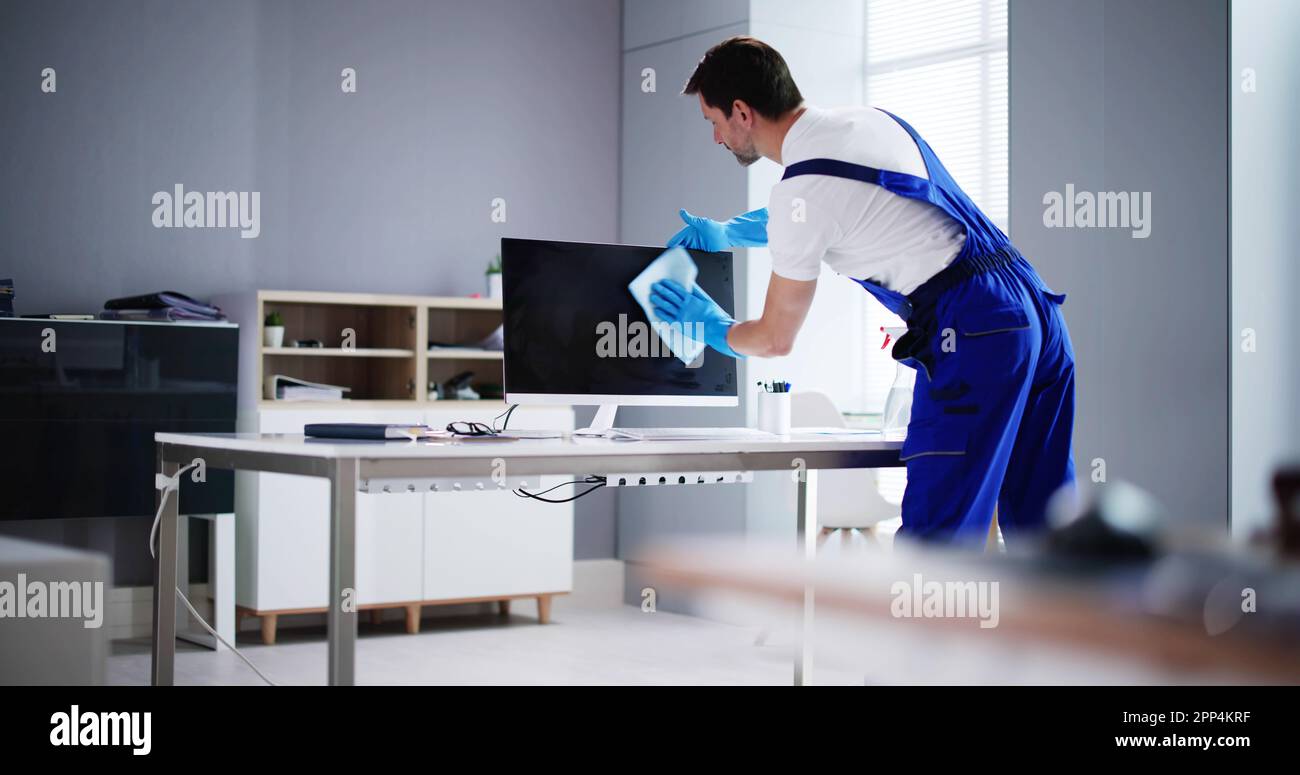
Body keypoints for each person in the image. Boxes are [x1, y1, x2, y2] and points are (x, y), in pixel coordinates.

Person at [649, 36, 1076, 544]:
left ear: (741, 112)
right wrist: (729, 231)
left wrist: (710, 325)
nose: (716, 138)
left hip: (977, 328)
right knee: (1052, 531)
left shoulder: (800, 192)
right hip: (1034, 311)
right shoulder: (868, 122)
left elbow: (773, 339)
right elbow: (834, 206)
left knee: (936, 546)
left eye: (713, 121)